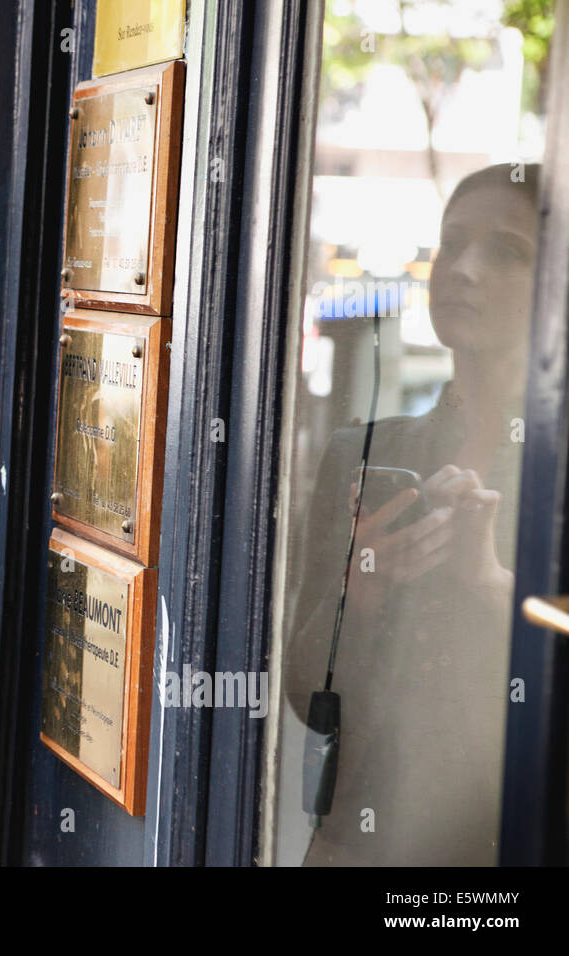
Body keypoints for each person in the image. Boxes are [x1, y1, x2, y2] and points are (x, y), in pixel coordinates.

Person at [282, 163, 541, 865]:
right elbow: (306, 696)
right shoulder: (363, 453)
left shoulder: (553, 476)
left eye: (505, 251)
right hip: (356, 842)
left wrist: (490, 583)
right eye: (451, 244)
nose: (463, 269)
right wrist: (356, 595)